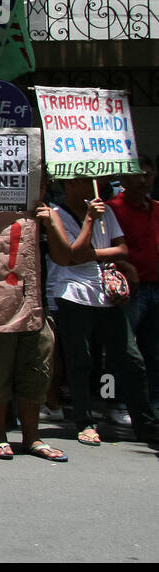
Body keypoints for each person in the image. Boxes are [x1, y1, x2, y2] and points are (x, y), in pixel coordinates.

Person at [39, 175, 159, 447]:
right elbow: (69, 255)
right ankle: (84, 422)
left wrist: (94, 254)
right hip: (73, 293)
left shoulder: (106, 210)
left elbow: (121, 249)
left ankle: (145, 423)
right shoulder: (57, 214)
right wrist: (90, 221)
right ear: (70, 184)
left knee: (131, 358)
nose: (94, 183)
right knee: (80, 361)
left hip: (106, 293)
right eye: (84, 180)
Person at [106, 154, 159, 409]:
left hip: (155, 288)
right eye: (138, 174)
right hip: (129, 290)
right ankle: (112, 402)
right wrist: (126, 267)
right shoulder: (112, 209)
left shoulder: (157, 209)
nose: (143, 180)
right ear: (125, 177)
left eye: (148, 174)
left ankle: (152, 403)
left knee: (154, 352)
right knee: (121, 351)